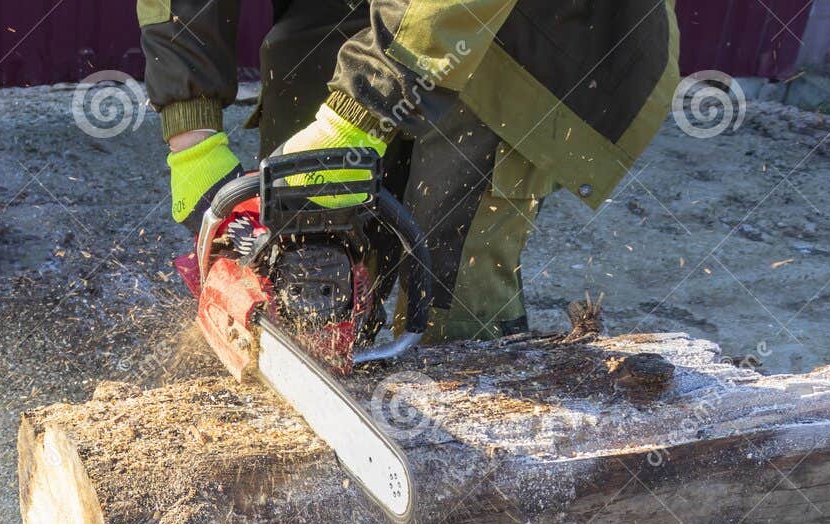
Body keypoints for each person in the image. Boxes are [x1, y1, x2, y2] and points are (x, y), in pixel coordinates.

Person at [140, 0, 680, 342]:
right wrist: (193, 138)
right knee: (305, 240)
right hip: (343, 12)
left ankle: (470, 463)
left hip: (526, 27)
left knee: (452, 265)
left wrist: (358, 115)